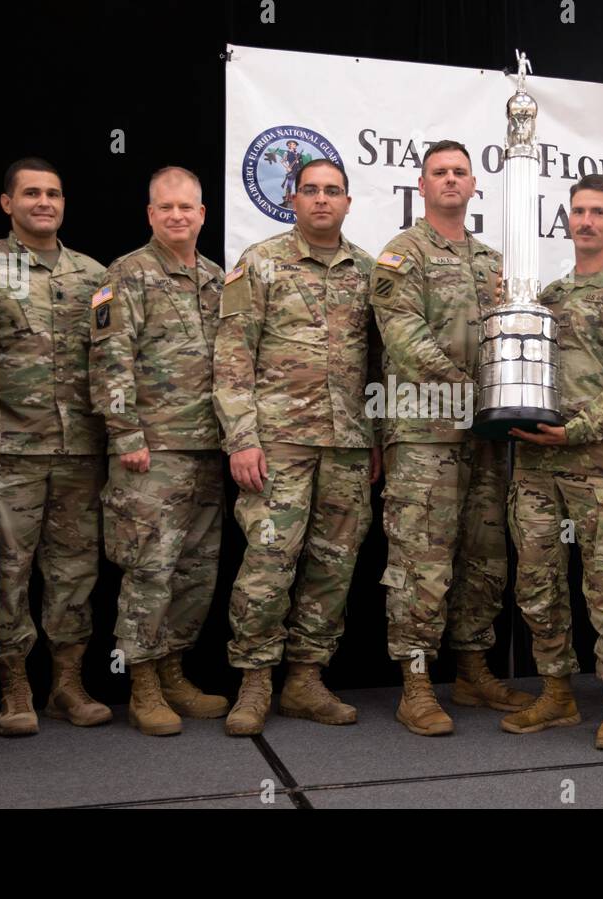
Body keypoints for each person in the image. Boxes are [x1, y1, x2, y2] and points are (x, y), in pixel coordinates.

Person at [369, 140, 530, 736]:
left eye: (461, 172)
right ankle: (415, 682)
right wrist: (468, 386)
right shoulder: (400, 254)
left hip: (486, 435)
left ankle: (471, 668)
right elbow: (402, 335)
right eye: (440, 172)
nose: (451, 180)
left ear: (475, 186)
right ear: (422, 185)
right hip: (424, 431)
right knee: (421, 558)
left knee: (483, 554)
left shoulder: (493, 263)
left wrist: (507, 395)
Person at [215, 159, 380, 735]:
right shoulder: (260, 263)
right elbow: (232, 355)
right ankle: (255, 680)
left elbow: (379, 364)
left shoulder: (368, 269)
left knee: (334, 566)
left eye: (332, 191)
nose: (321, 200)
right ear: (293, 198)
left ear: (348, 202)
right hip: (278, 442)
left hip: (348, 445)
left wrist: (376, 437)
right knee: (267, 562)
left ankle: (305, 680)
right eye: (310, 190)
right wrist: (241, 438)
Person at [500, 174, 603, 751]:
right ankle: (557, 693)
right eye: (577, 211)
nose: (586, 221)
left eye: (598, 212)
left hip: (597, 465)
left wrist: (575, 431)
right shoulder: (551, 296)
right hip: (536, 468)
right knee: (537, 582)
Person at [88, 166, 228, 737]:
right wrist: (126, 435)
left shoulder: (219, 280)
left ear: (202, 214)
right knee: (150, 568)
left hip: (207, 451)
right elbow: (109, 359)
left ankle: (173, 670)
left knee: (196, 571)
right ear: (150, 214)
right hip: (151, 454)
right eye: (165, 207)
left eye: (187, 207)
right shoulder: (126, 274)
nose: (177, 216)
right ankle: (142, 681)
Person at [0, 158, 111, 736]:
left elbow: (110, 360)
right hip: (9, 451)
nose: (43, 202)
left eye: (53, 193)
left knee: (75, 571)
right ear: (7, 203)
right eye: (30, 193)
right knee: (7, 570)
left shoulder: (93, 274)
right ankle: (12, 684)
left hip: (80, 450)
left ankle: (67, 683)